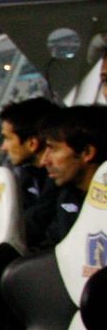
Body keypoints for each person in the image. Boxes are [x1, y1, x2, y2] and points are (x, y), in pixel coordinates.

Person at [33, 105, 107, 249]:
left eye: (53, 149)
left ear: (86, 152)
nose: (44, 160)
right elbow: (51, 250)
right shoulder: (67, 196)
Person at [0, 97, 61, 248]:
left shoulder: (63, 181)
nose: (3, 147)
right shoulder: (27, 175)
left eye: (7, 138)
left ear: (32, 143)